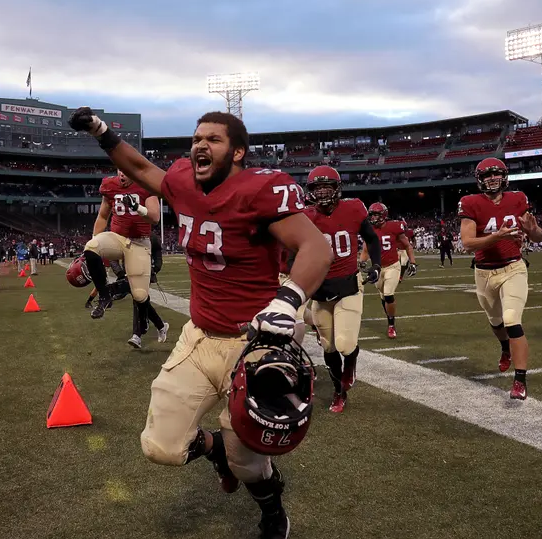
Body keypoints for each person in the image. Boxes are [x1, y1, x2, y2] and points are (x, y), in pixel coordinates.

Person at [69, 106, 332, 539]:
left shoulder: (261, 189)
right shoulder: (183, 181)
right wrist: (101, 132)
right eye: (196, 138)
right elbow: (138, 166)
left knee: (249, 460)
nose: (200, 145)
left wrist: (287, 303)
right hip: (198, 337)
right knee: (161, 447)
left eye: (213, 139)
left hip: (254, 340)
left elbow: (315, 248)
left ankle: (272, 509)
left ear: (239, 152)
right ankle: (215, 453)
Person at [458, 158, 542, 400]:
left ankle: (520, 379)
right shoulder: (470, 202)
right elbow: (467, 243)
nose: (492, 179)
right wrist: (497, 237)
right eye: (487, 175)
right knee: (495, 321)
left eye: (496, 174)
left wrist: (533, 230)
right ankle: (505, 348)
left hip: (513, 267)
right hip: (484, 271)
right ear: (480, 180)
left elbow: (537, 237)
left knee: (511, 319)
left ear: (504, 177)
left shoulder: (518, 199)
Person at [304, 165, 381, 413]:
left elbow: (371, 237)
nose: (323, 192)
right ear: (311, 191)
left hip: (348, 285)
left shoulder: (353, 208)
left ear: (338, 189)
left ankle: (350, 364)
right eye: (318, 187)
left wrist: (376, 264)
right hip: (319, 290)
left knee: (345, 344)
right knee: (328, 347)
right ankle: (339, 392)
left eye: (328, 186)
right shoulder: (304, 217)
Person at [81, 167, 161, 330]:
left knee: (139, 295)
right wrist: (93, 251)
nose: (122, 174)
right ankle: (105, 297)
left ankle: (154, 323)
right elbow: (103, 216)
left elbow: (155, 217)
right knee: (91, 246)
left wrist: (137, 207)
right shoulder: (110, 185)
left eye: (126, 170)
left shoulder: (146, 185)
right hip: (118, 237)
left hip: (139, 242)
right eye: (120, 170)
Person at [360, 202, 416, 339]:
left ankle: (391, 325)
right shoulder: (369, 229)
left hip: (392, 266)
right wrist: (361, 261)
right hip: (377, 268)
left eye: (376, 215)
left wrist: (413, 262)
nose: (373, 218)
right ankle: (389, 320)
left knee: (389, 294)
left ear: (384, 215)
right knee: (383, 297)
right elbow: (366, 249)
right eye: (372, 215)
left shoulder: (394, 227)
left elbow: (407, 245)